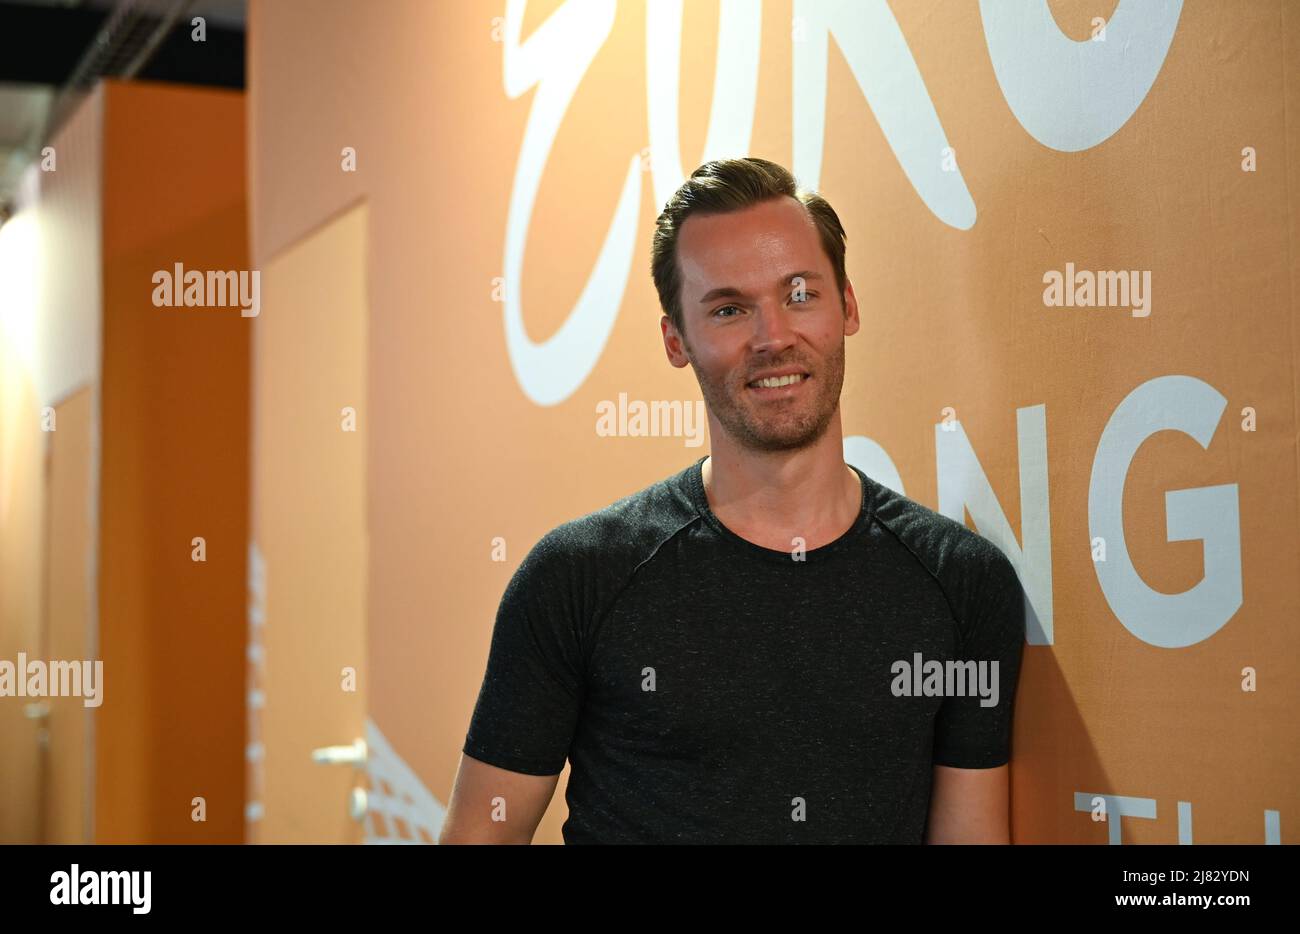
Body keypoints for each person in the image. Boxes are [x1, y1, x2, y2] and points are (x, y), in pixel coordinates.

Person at [440, 156, 1026, 844]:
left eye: (800, 293)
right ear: (675, 341)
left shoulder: (963, 584)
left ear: (849, 306)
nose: (773, 337)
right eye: (728, 309)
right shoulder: (577, 578)